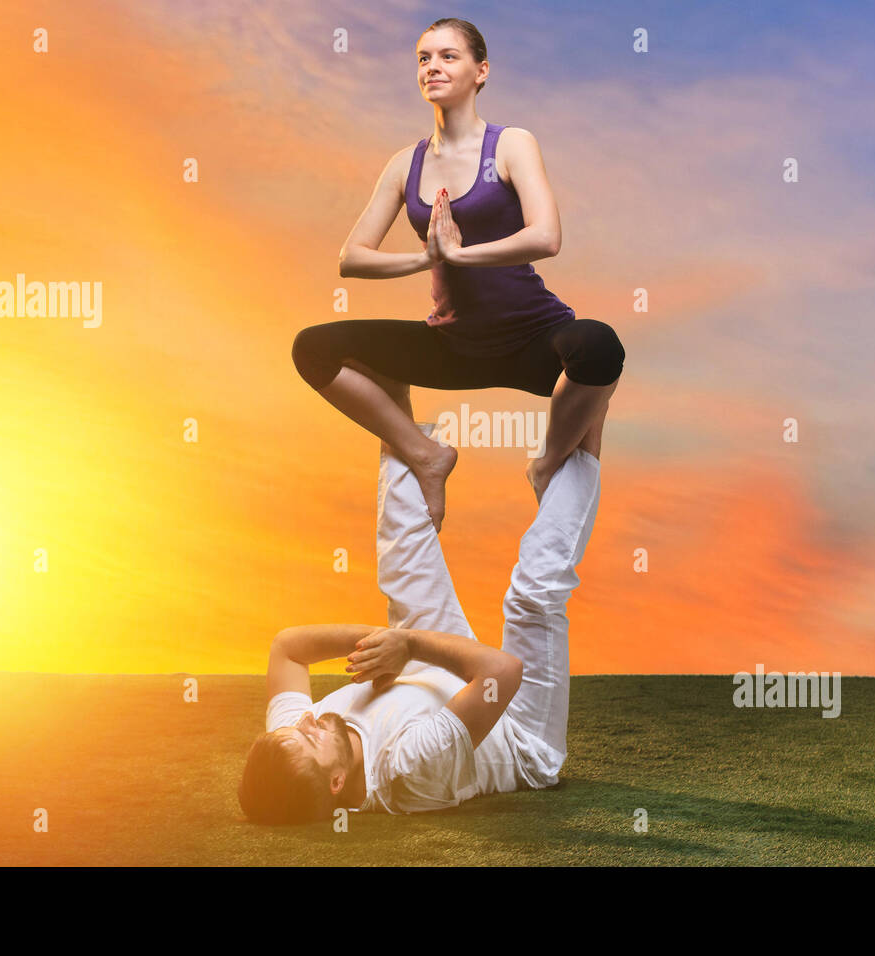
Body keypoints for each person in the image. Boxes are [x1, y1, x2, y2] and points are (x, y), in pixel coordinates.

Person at [291, 17, 624, 532]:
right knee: (313, 347)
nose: (433, 67)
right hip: (452, 345)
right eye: (424, 58)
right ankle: (426, 455)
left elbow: (546, 236)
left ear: (481, 71)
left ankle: (544, 465)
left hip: (531, 338)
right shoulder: (406, 164)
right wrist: (427, 259)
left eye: (449, 56)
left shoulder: (512, 144)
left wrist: (461, 255)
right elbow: (351, 257)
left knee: (599, 347)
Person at [237, 420, 603, 823]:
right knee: (532, 595)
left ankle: (401, 390)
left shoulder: (292, 740)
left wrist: (389, 642)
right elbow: (502, 672)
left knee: (400, 559)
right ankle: (585, 429)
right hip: (512, 726)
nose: (306, 720)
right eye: (310, 737)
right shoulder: (408, 772)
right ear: (337, 782)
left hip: (426, 670)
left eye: (295, 727)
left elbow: (286, 648)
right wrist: (407, 645)